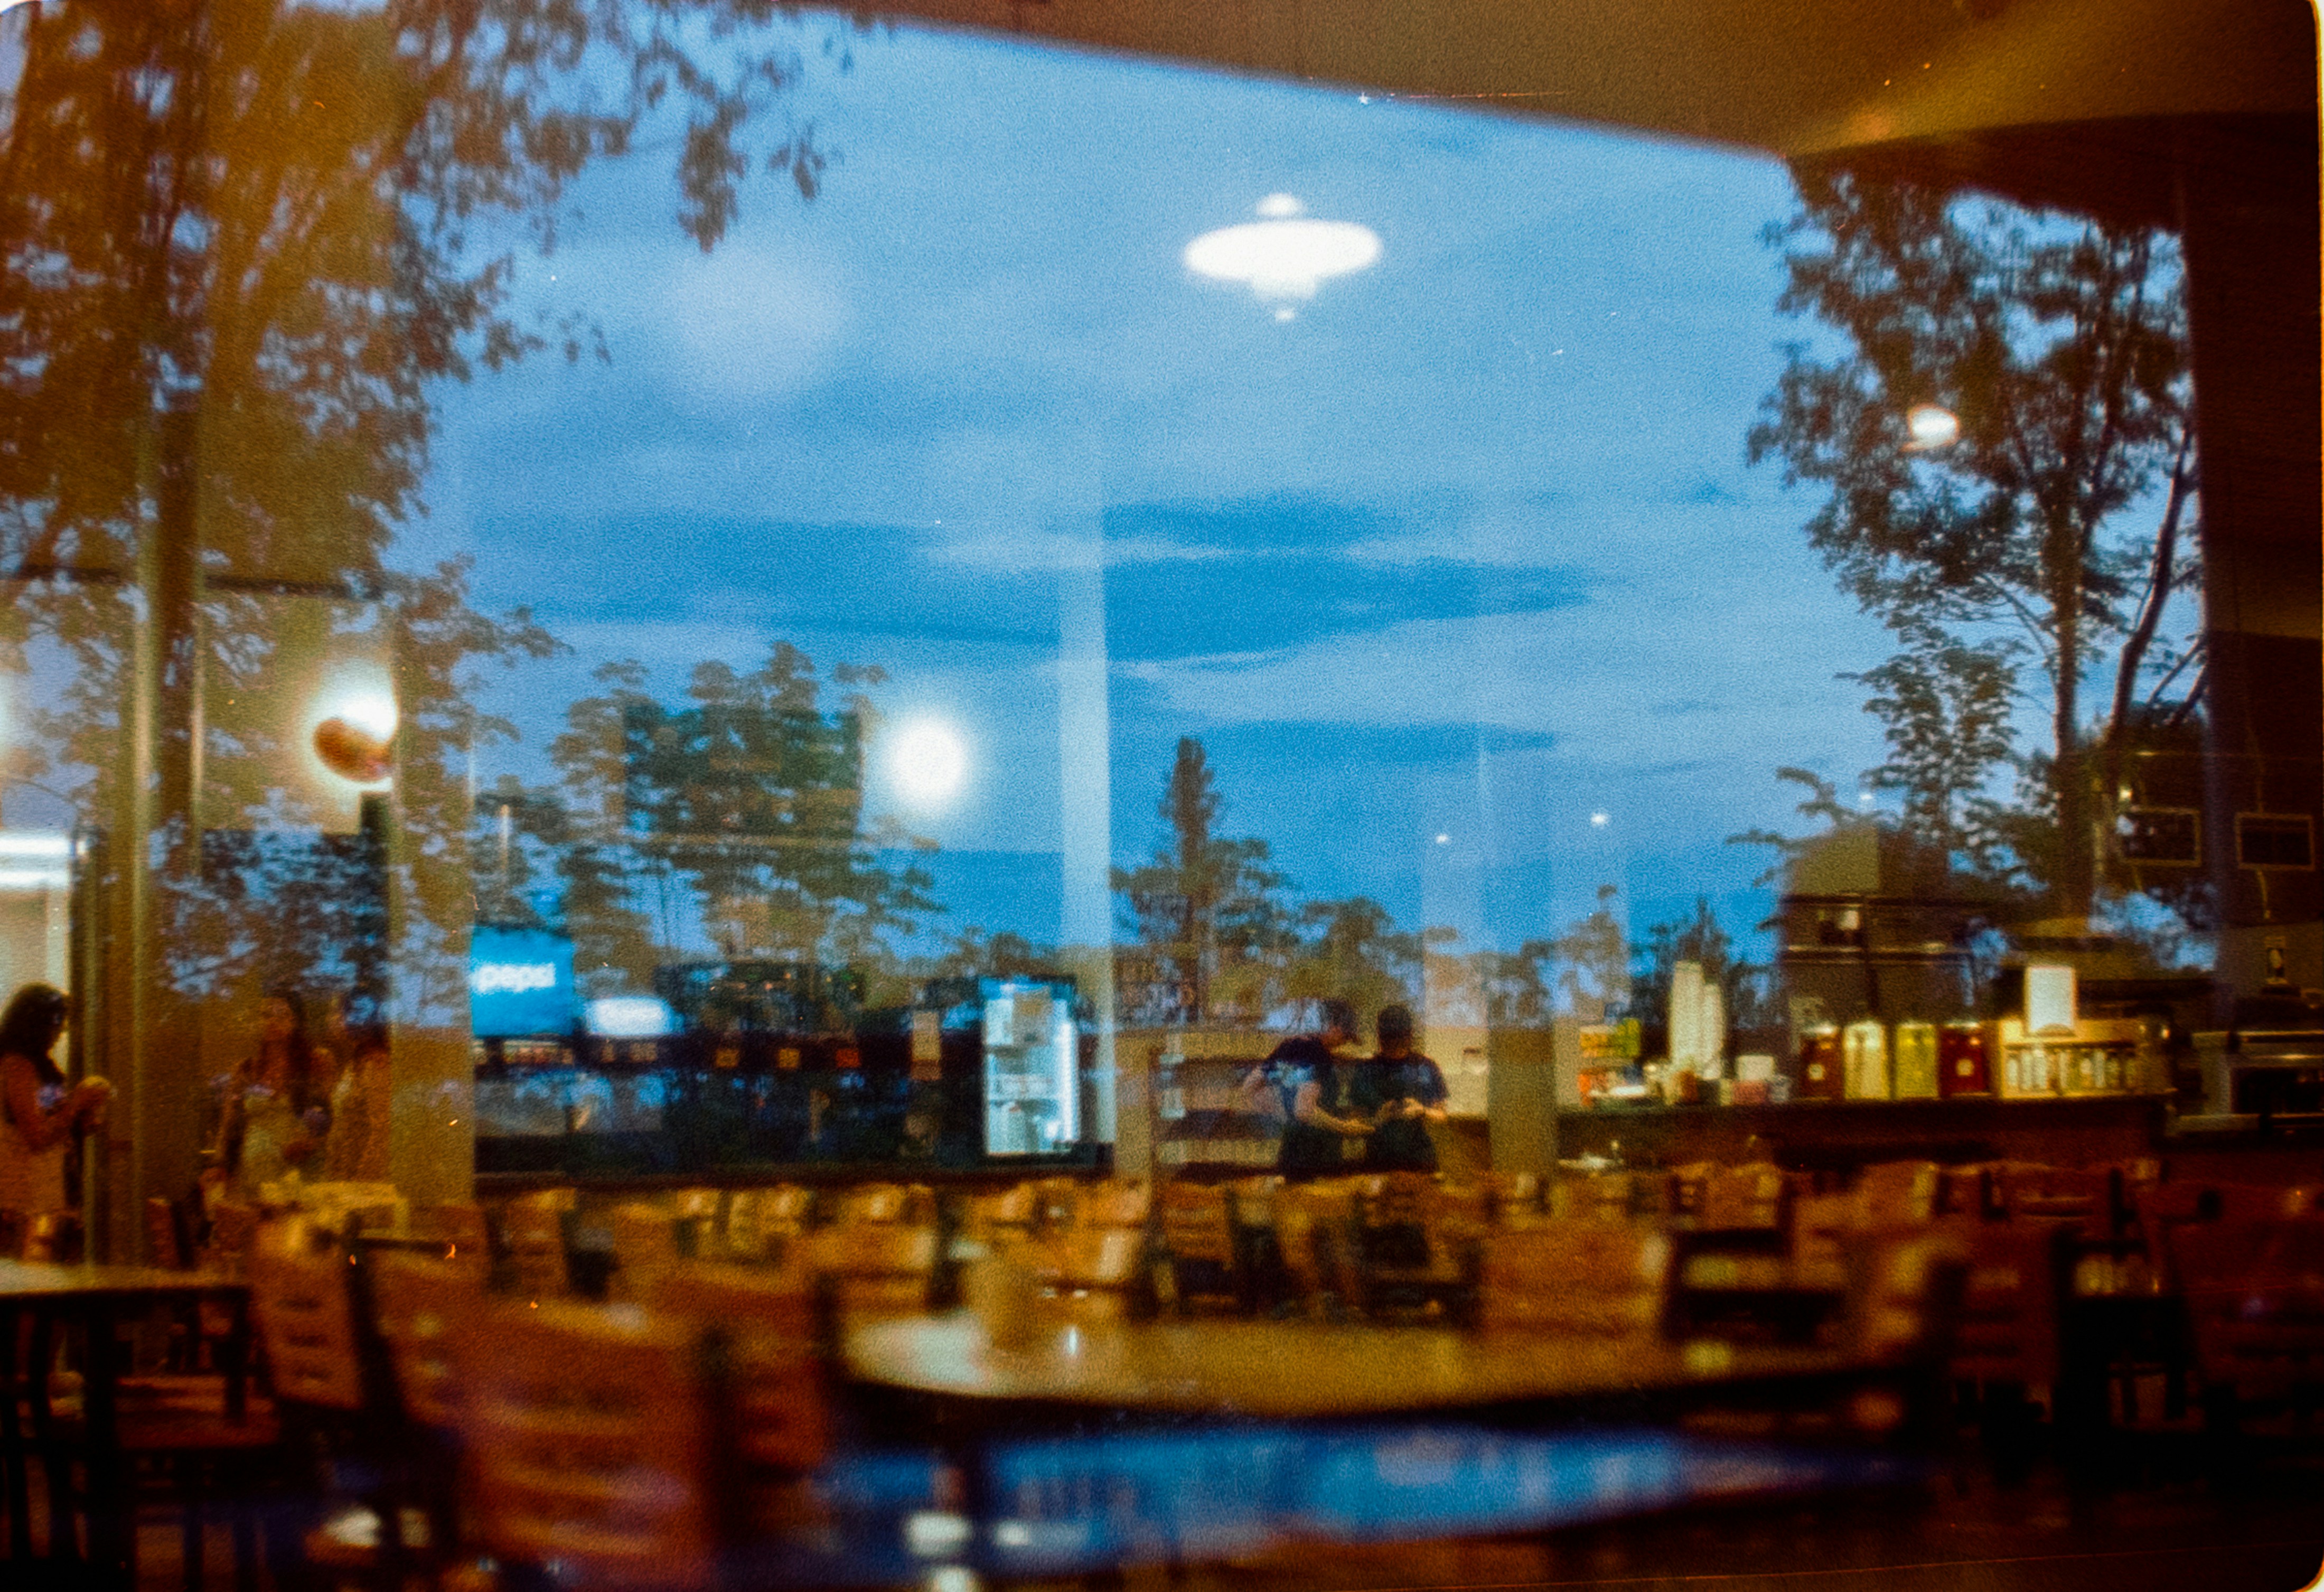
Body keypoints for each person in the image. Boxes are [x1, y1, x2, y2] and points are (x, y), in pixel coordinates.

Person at [0, 984, 110, 1225]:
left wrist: (81, 1118)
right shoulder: (17, 1065)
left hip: (43, 1187)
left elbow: (52, 1121)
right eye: (57, 1023)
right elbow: (36, 1137)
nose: (60, 1032)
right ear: (36, 1024)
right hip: (20, 1195)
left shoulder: (41, 1065)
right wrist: (76, 1103)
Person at [209, 987, 330, 1198]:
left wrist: (311, 1142)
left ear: (296, 1021)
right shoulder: (247, 1070)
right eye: (266, 1015)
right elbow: (229, 1125)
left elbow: (328, 1118)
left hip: (298, 1169)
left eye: (282, 1015)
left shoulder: (315, 1064)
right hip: (253, 1169)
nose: (272, 1022)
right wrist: (219, 1164)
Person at [1254, 997, 1373, 1180]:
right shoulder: (1316, 1054)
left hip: (1300, 1153)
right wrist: (1346, 1127)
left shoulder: (1294, 1048)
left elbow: (1252, 1087)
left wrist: (1280, 1114)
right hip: (1312, 1157)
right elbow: (1304, 1111)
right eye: (1345, 1036)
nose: (1344, 1043)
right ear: (1332, 1025)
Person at [1352, 1004, 1450, 1173]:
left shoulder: (1425, 1066)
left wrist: (1421, 1110)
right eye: (1390, 1037)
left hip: (1420, 1159)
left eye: (1399, 1037)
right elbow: (1354, 1123)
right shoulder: (1367, 1069)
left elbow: (1442, 1115)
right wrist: (1378, 1119)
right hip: (1378, 1159)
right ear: (1381, 1036)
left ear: (1409, 1035)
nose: (1395, 1043)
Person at [322, 992, 392, 1183]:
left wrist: (363, 1181)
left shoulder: (375, 1064)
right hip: (344, 1165)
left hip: (360, 1174)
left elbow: (382, 1130)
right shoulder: (355, 1062)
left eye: (337, 1012)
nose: (331, 1019)